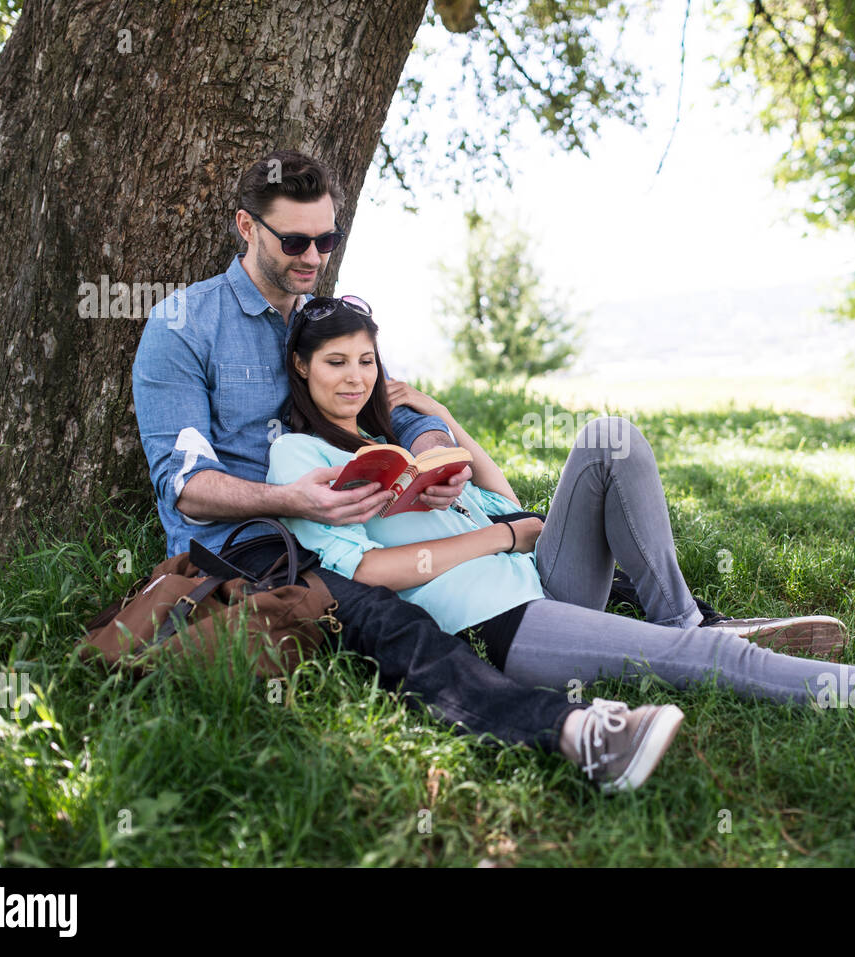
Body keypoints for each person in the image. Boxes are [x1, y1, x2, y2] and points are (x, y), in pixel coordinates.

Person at [267, 296, 855, 724]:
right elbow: (371, 570)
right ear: (301, 367)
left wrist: (448, 421)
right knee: (725, 669)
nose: (355, 376)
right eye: (335, 361)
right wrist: (500, 534)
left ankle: (683, 618)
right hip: (503, 625)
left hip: (539, 577)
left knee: (609, 437)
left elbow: (518, 505)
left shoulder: (405, 435)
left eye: (367, 360)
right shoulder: (298, 457)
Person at [132, 149, 685, 792]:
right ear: (247, 228)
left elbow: (392, 403)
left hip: (349, 513)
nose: (314, 257)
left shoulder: (324, 315)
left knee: (526, 540)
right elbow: (185, 488)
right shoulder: (184, 325)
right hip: (254, 547)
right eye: (296, 241)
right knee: (393, 622)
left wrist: (431, 455)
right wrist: (290, 499)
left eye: (327, 239)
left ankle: (689, 622)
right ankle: (577, 733)